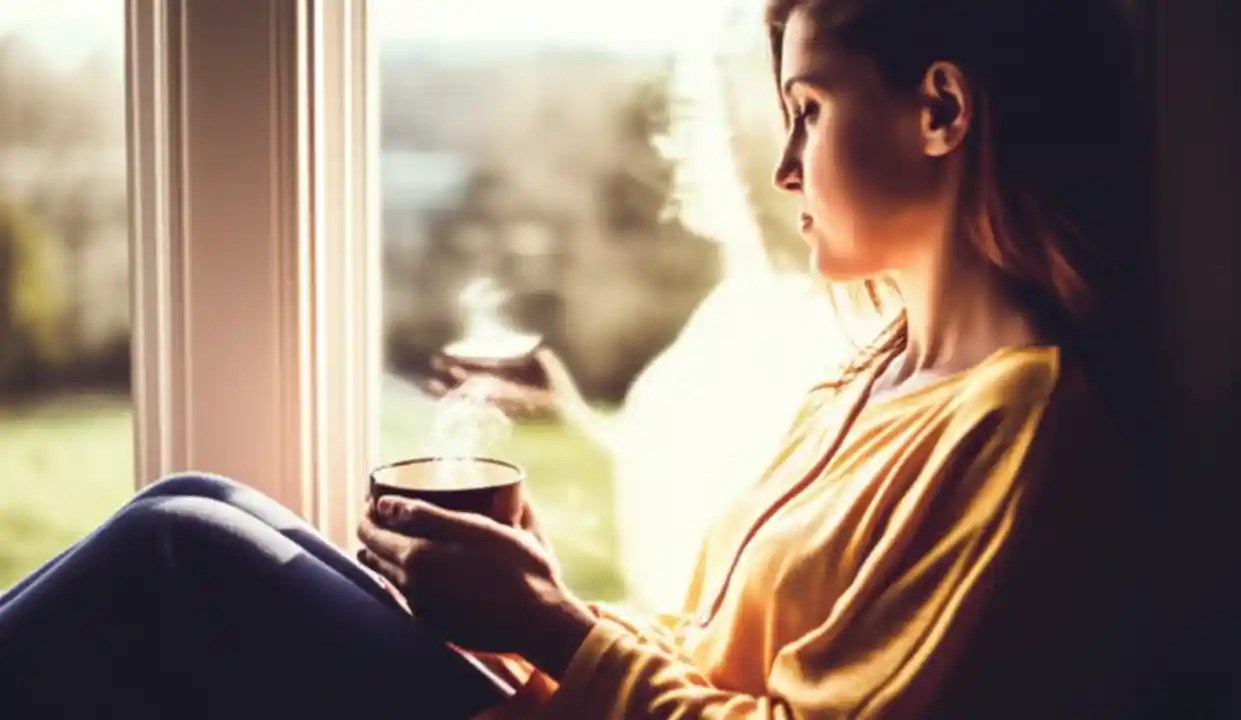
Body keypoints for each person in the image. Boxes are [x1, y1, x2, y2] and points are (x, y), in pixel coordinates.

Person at [0, 0, 1153, 717]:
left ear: (940, 109)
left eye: (806, 109)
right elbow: (715, 661)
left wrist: (556, 628)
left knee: (181, 554)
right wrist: (540, 607)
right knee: (194, 499)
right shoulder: (871, 378)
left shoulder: (1021, 433)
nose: (786, 168)